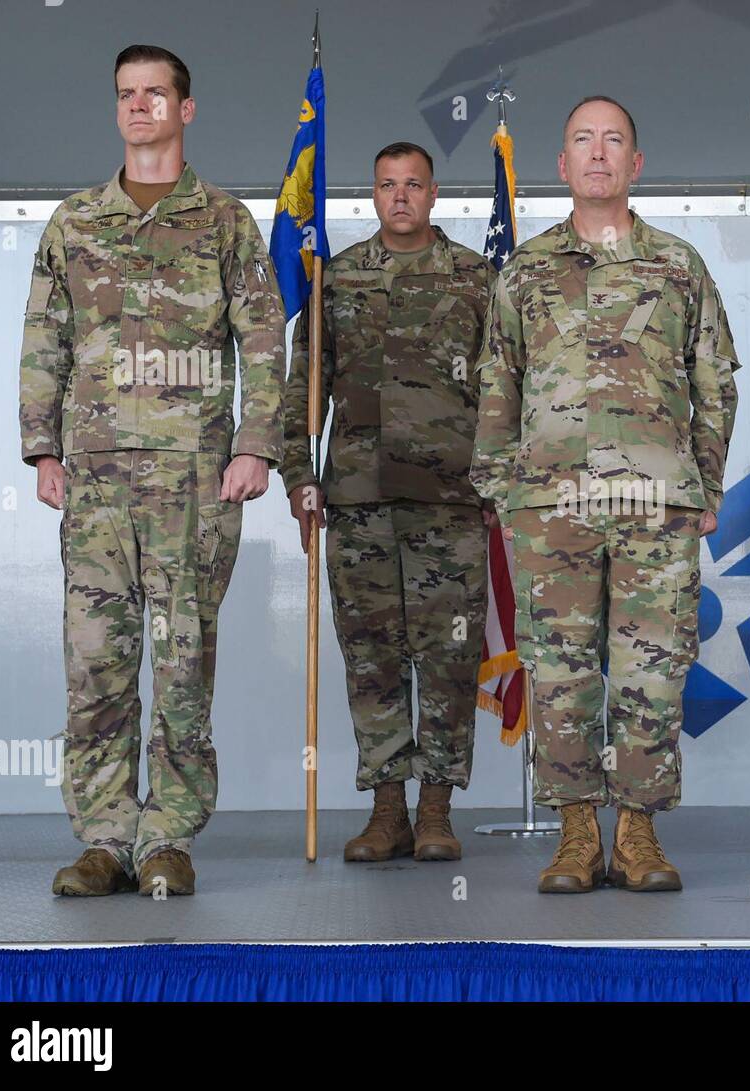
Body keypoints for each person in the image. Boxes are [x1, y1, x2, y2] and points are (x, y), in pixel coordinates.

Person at [21, 45, 286, 896]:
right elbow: (43, 340)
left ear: (186, 109)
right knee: (96, 664)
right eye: (127, 96)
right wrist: (42, 446)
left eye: (156, 95)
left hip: (194, 482)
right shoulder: (73, 222)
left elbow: (265, 338)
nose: (140, 108)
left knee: (181, 666)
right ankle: (104, 837)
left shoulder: (225, 222)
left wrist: (257, 443)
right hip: (95, 485)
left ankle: (167, 835)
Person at [472, 96, 740, 893]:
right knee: (560, 672)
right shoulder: (524, 272)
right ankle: (576, 833)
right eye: (582, 141)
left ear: (635, 164)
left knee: (651, 672)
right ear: (562, 166)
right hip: (549, 508)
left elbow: (714, 380)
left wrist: (707, 484)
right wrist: (499, 489)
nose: (597, 153)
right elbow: (496, 383)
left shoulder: (680, 266)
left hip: (657, 506)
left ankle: (640, 834)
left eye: (613, 140)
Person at [281, 142, 494, 863]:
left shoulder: (476, 279)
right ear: (371, 196)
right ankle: (386, 809)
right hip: (359, 496)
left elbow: (505, 386)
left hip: (450, 498)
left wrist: (502, 478)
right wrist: (297, 474)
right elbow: (303, 385)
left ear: (435, 194)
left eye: (413, 185)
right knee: (370, 654)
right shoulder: (335, 281)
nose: (399, 197)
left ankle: (436, 809)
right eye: (386, 186)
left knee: (448, 656)